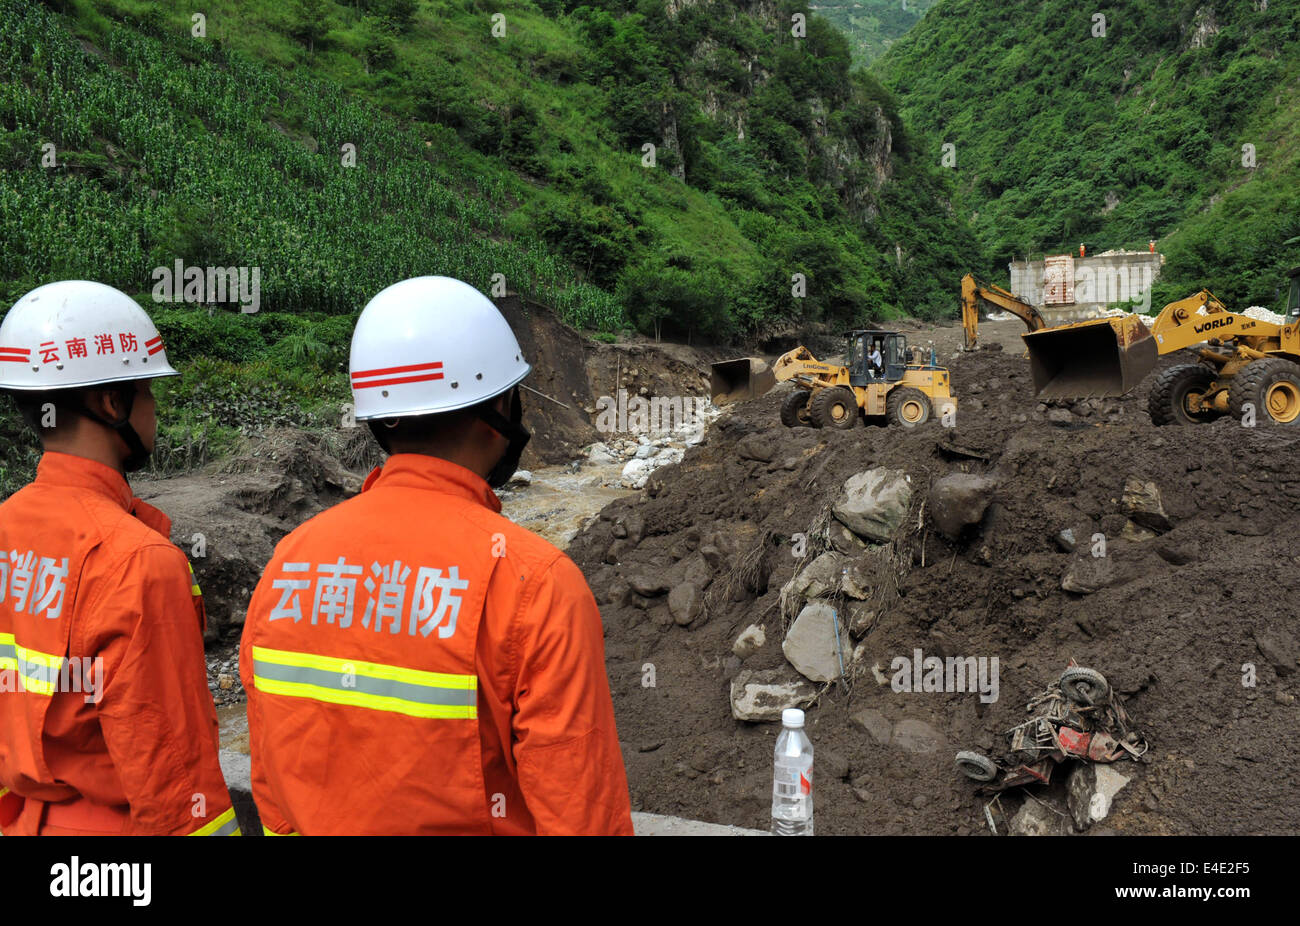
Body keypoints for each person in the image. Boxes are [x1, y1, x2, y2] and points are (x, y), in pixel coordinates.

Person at [240, 276, 634, 835]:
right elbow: (580, 815)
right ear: (501, 406)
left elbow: (271, 781)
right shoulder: (537, 584)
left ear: (377, 417)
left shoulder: (290, 562)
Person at [0, 280, 238, 836]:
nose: (155, 409)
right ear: (112, 403)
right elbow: (173, 783)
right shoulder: (138, 561)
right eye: (148, 391)